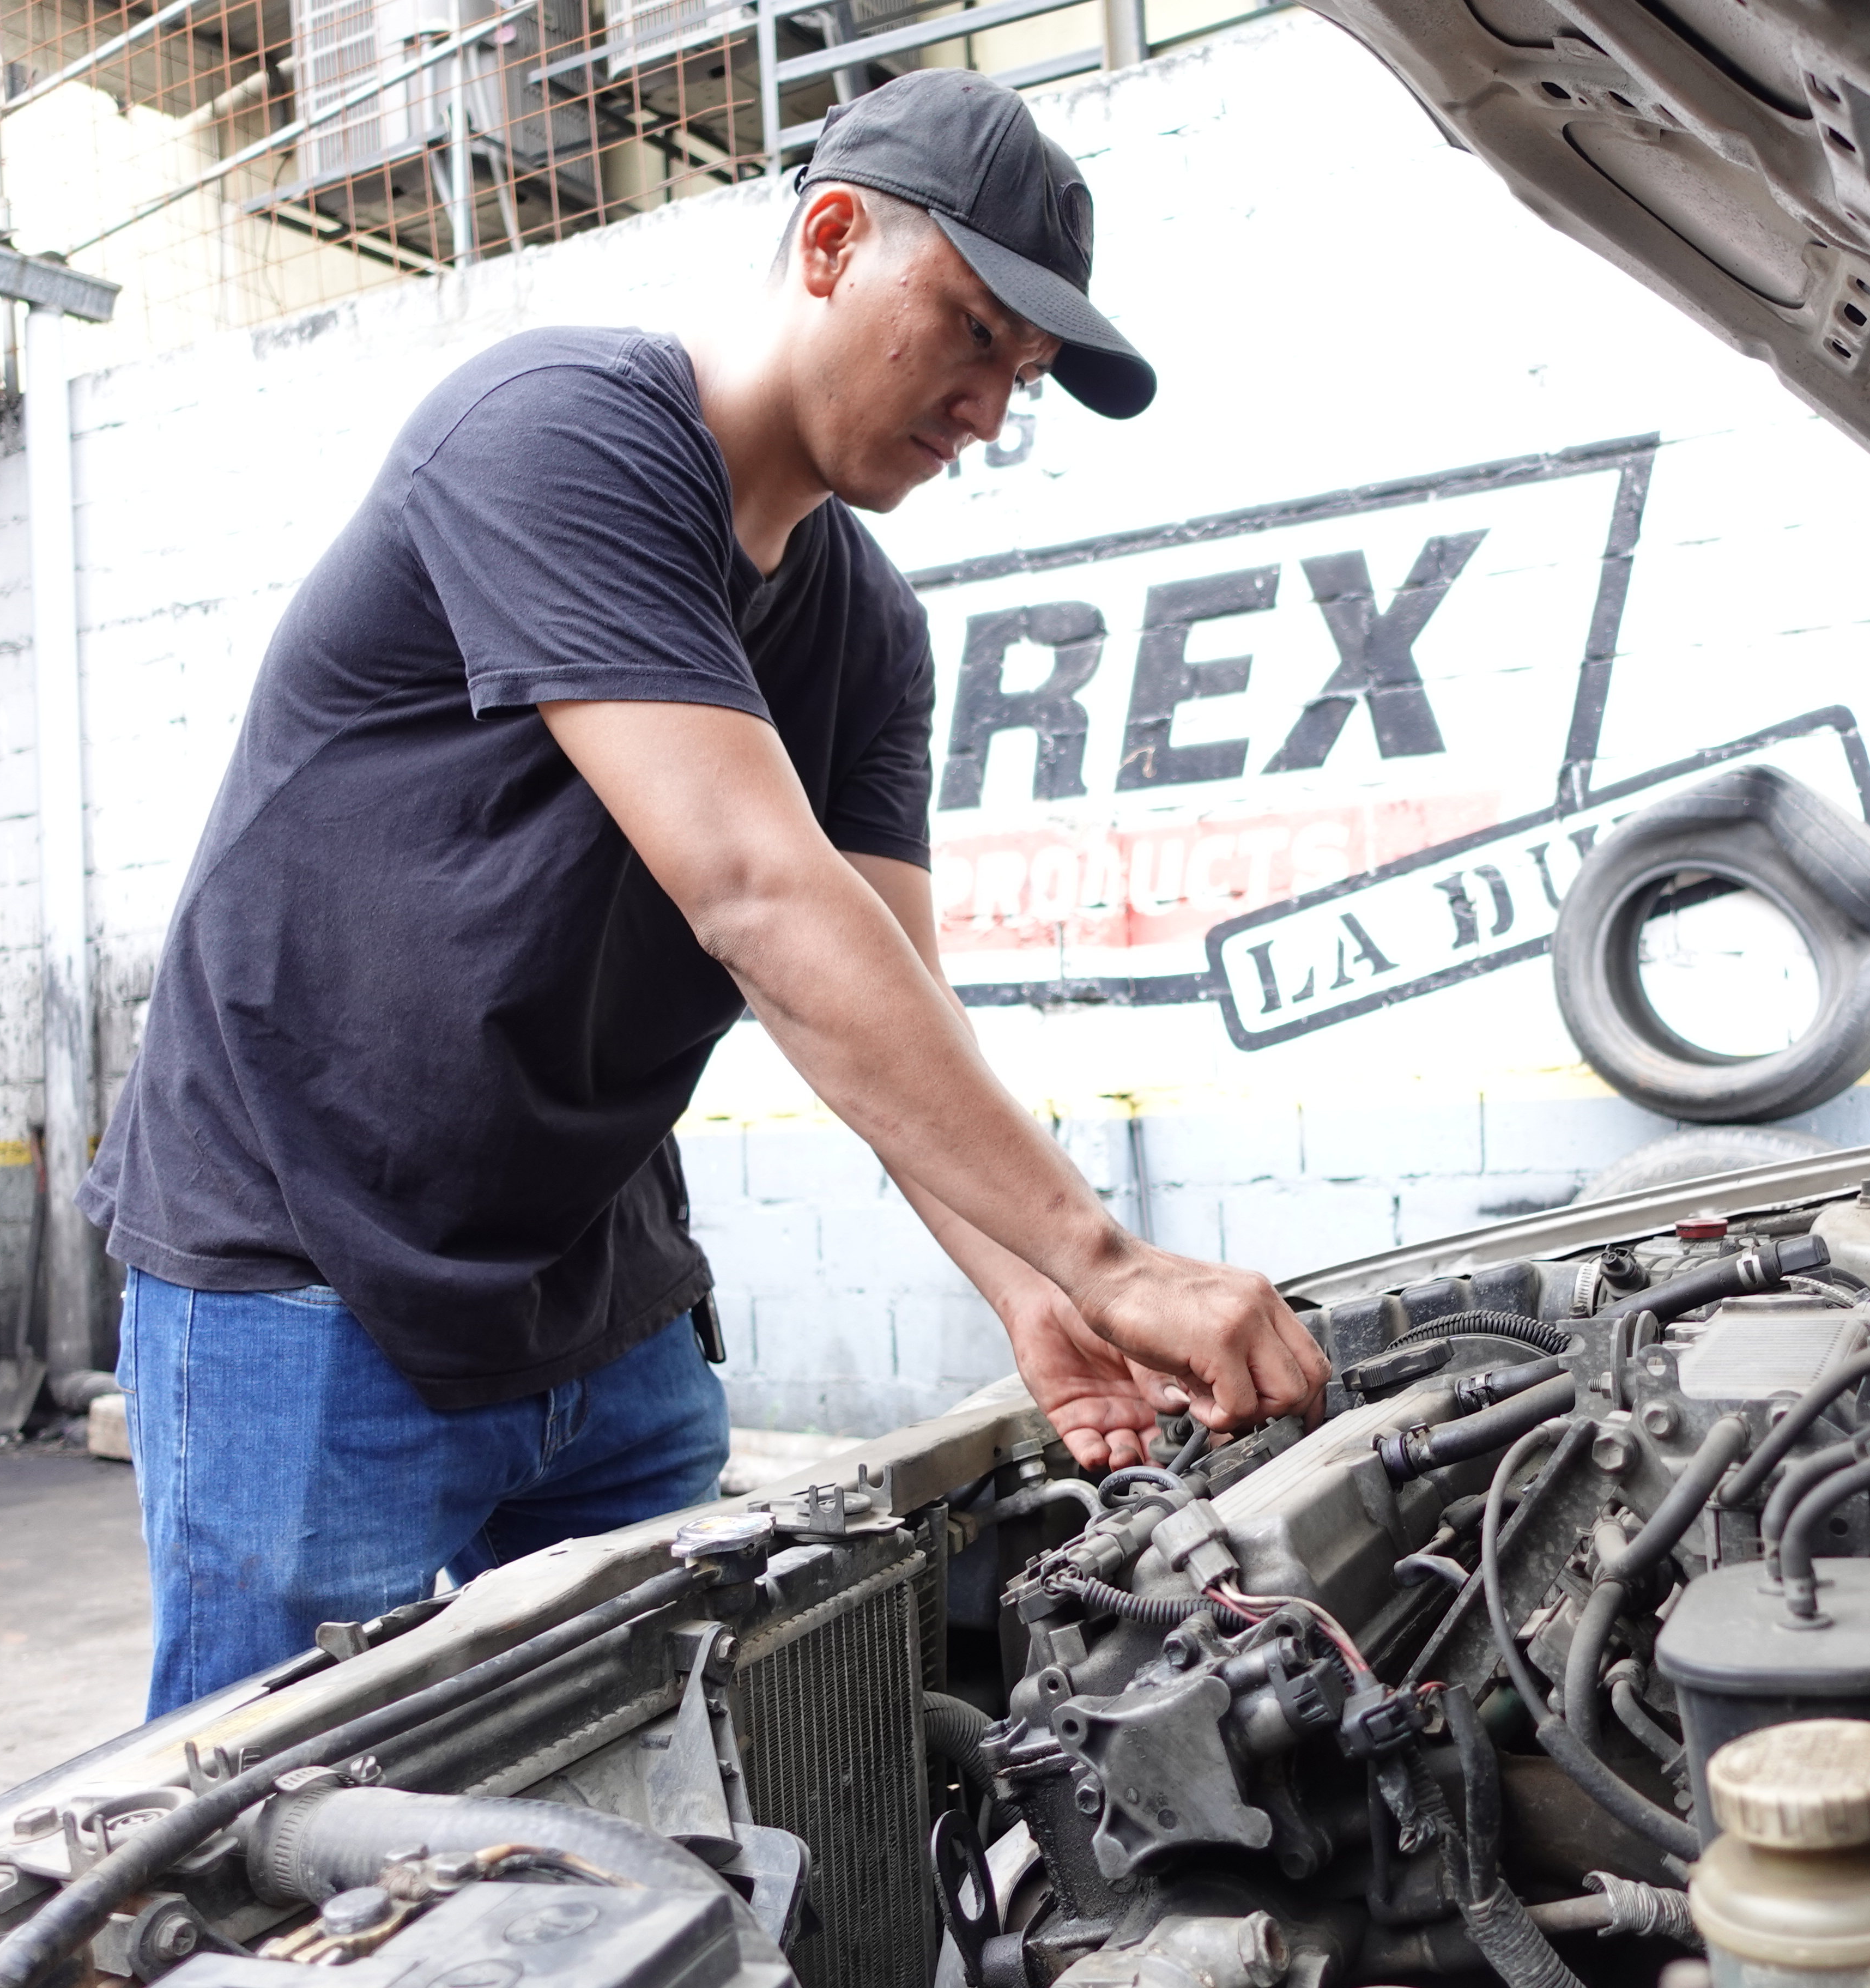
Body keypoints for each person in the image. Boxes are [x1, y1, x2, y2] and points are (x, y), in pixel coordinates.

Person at [82, 71, 1333, 1715]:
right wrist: (1114, 1260)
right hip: (311, 1275)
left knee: (676, 1789)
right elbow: (757, 895)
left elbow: (887, 987)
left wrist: (1036, 1296)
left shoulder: (869, 634)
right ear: (829, 242)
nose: (987, 414)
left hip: (602, 1295)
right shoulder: (559, 433)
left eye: (1019, 378)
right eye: (969, 335)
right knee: (288, 1836)